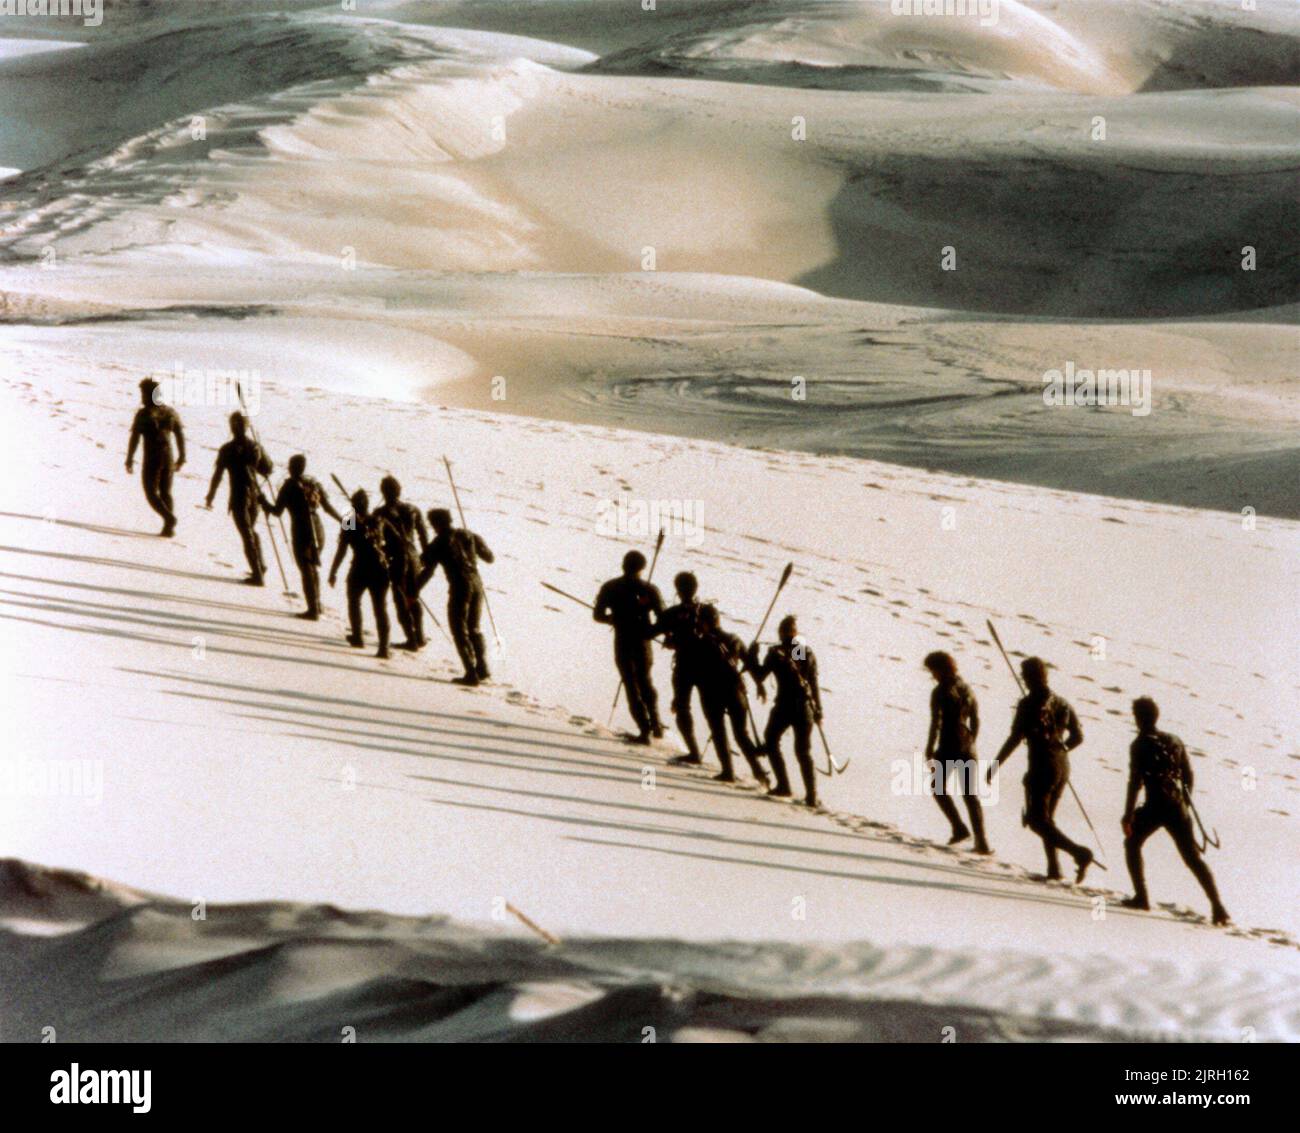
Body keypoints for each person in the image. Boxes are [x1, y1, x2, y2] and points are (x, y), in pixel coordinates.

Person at [1121, 697, 1229, 926]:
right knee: (1193, 859)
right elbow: (1188, 775)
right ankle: (1218, 907)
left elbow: (1135, 782)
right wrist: (1185, 803)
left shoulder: (1139, 745)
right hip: (1177, 806)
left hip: (1154, 806)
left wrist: (1128, 814)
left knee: (1132, 844)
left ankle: (1141, 897)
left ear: (1139, 718)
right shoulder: (1175, 741)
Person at [987, 657, 1094, 883]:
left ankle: (1079, 853)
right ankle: (1054, 869)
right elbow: (1078, 737)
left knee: (1037, 821)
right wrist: (1061, 747)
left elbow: (1015, 738)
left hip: (1041, 766)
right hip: (1062, 765)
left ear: (1030, 677)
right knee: (1047, 820)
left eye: (1025, 677)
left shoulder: (1028, 704)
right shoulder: (1063, 703)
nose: (1024, 681)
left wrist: (995, 765)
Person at [748, 615, 822, 806]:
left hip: (785, 706)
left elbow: (759, 675)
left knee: (771, 739)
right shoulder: (803, 651)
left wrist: (752, 656)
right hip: (805, 707)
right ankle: (811, 795)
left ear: (781, 632)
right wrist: (818, 711)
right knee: (803, 751)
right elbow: (812, 682)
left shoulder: (776, 653)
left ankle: (784, 785)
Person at [593, 550, 664, 744]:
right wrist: (650, 632)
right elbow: (664, 620)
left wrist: (612, 619)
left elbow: (598, 615)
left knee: (631, 686)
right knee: (646, 682)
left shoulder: (610, 587)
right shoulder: (650, 589)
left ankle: (644, 730)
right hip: (643, 642)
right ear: (642, 568)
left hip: (623, 640)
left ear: (623, 564)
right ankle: (656, 723)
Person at [923, 651, 991, 854]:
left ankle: (959, 828)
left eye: (932, 671)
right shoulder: (967, 689)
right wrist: (971, 741)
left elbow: (936, 722)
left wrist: (929, 749)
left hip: (948, 744)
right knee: (970, 795)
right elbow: (976, 720)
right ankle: (982, 842)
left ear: (939, 669)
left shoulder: (939, 691)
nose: (932, 675)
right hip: (968, 746)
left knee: (937, 787)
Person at [417, 507, 494, 685]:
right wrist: (474, 541)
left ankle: (470, 673)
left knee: (459, 630)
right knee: (474, 628)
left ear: (436, 524)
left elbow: (427, 569)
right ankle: (482, 668)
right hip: (476, 585)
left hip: (459, 586)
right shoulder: (469, 535)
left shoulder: (439, 542)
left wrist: (413, 590)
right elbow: (490, 558)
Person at [259, 455, 342, 619]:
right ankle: (316, 606)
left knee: (306, 569)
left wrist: (262, 501)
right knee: (313, 567)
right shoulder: (313, 484)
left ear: (292, 467)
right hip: (318, 530)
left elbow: (276, 512)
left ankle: (313, 610)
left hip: (301, 530)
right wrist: (348, 524)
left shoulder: (289, 486)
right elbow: (328, 508)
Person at [697, 604, 768, 785]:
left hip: (712, 693)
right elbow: (751, 665)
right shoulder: (735, 639)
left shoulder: (702, 642)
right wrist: (759, 685)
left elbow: (695, 671)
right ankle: (759, 772)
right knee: (742, 735)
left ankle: (728, 771)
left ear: (704, 623)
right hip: (736, 691)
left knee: (719, 732)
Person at [647, 572, 710, 767]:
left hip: (684, 665)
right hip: (708, 666)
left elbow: (650, 631)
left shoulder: (673, 612)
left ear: (677, 589)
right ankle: (729, 768)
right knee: (712, 713)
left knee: (682, 708)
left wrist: (643, 609)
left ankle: (694, 752)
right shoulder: (708, 611)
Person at [205, 412, 273, 585]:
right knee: (250, 530)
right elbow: (268, 469)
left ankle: (258, 574)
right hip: (255, 495)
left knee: (247, 534)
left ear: (232, 427)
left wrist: (210, 495)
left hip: (239, 496)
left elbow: (218, 475)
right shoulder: (255, 447)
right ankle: (261, 565)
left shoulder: (227, 449)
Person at [328, 490, 393, 659]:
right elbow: (394, 544)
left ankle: (357, 636)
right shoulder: (379, 520)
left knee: (354, 601)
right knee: (380, 608)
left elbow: (342, 549)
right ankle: (384, 648)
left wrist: (333, 571)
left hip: (360, 568)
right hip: (380, 569)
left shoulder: (349, 520)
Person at [375, 476, 429, 651]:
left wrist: (350, 512)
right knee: (413, 596)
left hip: (397, 558)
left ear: (383, 491)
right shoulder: (413, 509)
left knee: (400, 599)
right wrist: (425, 558)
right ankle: (420, 636)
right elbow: (423, 536)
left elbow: (372, 537)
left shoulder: (380, 513)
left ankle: (411, 639)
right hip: (414, 557)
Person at [125, 378, 185, 537]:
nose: (141, 397)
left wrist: (129, 458)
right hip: (169, 455)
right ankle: (168, 529)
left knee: (151, 492)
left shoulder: (144, 414)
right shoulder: (170, 412)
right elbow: (180, 435)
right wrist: (182, 456)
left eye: (143, 394)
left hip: (153, 456)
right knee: (166, 492)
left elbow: (135, 438)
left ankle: (169, 519)